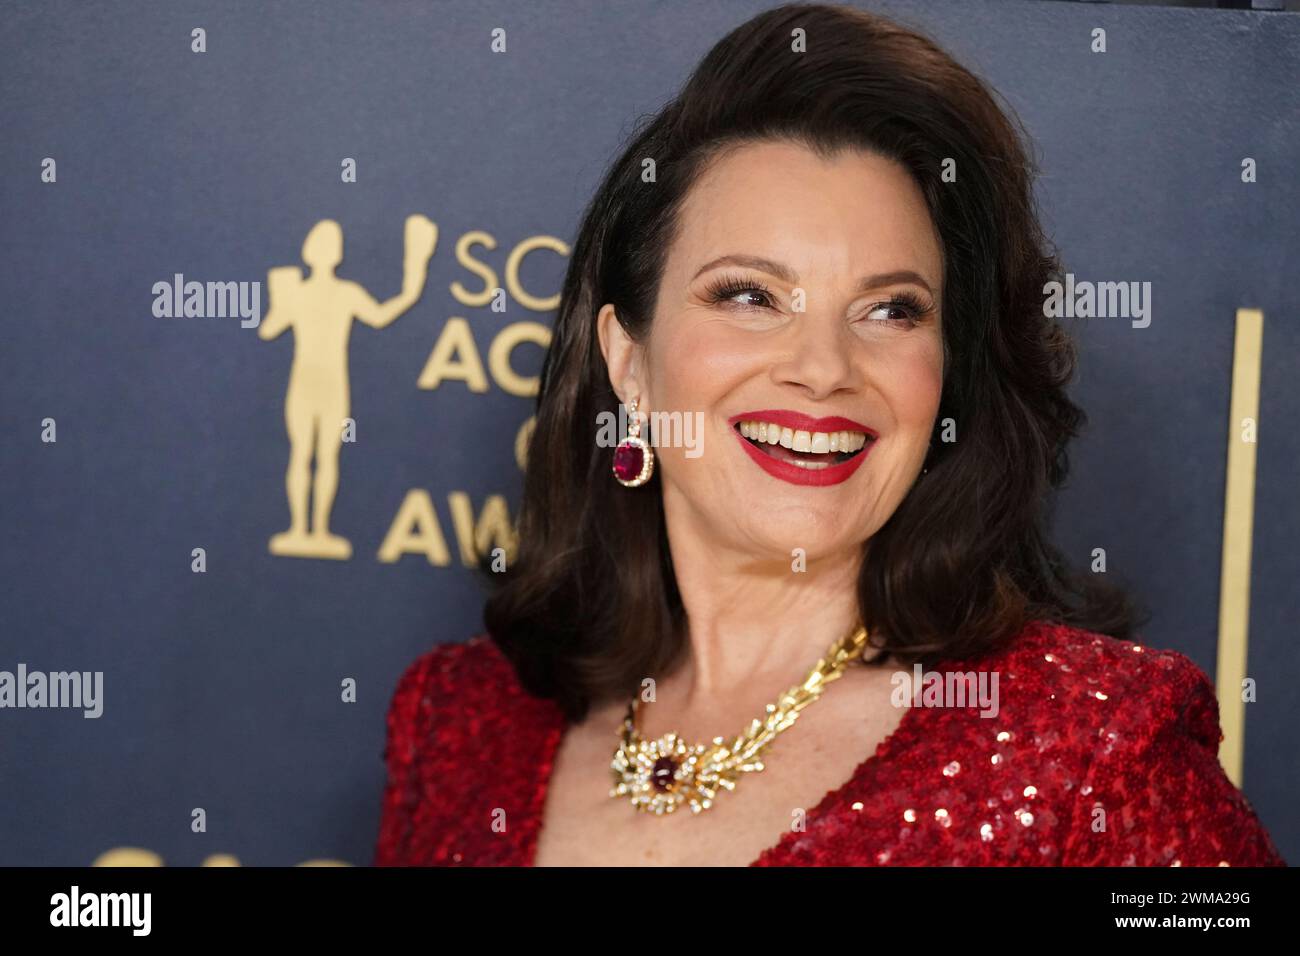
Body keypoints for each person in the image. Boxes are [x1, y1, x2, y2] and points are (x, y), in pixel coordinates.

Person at [374, 3, 1284, 866]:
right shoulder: (462, 722)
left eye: (890, 310)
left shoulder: (1095, 751)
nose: (824, 368)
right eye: (749, 296)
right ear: (629, 362)